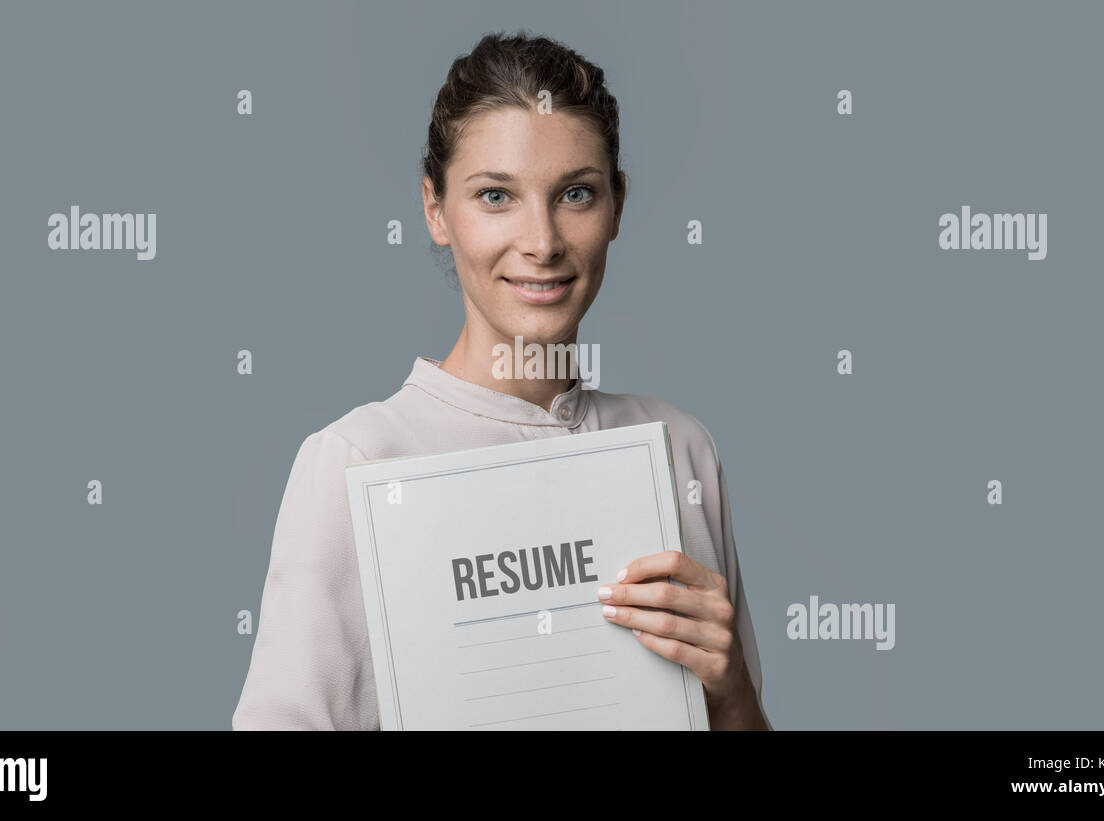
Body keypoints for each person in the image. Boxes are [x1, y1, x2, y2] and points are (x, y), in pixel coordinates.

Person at [233, 30, 772, 731]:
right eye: (496, 196)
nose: (542, 241)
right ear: (435, 209)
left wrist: (730, 692)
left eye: (575, 193)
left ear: (617, 206)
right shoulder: (358, 462)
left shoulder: (680, 448)